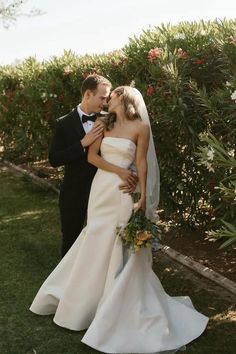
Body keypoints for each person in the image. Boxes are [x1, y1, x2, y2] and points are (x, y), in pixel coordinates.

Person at [30, 86, 208, 354]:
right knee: (96, 238)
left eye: (111, 96)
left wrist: (143, 197)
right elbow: (92, 157)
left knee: (119, 241)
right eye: (105, 95)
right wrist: (119, 172)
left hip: (125, 193)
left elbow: (142, 163)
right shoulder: (103, 122)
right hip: (102, 189)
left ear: (123, 99)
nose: (107, 98)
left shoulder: (140, 128)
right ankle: (84, 302)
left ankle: (115, 302)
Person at [48, 75, 136, 257]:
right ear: (88, 94)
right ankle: (68, 283)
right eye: (102, 97)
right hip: (74, 192)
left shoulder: (109, 121)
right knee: (71, 239)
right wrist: (82, 143)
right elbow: (54, 159)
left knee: (104, 239)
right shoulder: (63, 123)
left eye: (107, 98)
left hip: (105, 191)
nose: (105, 102)